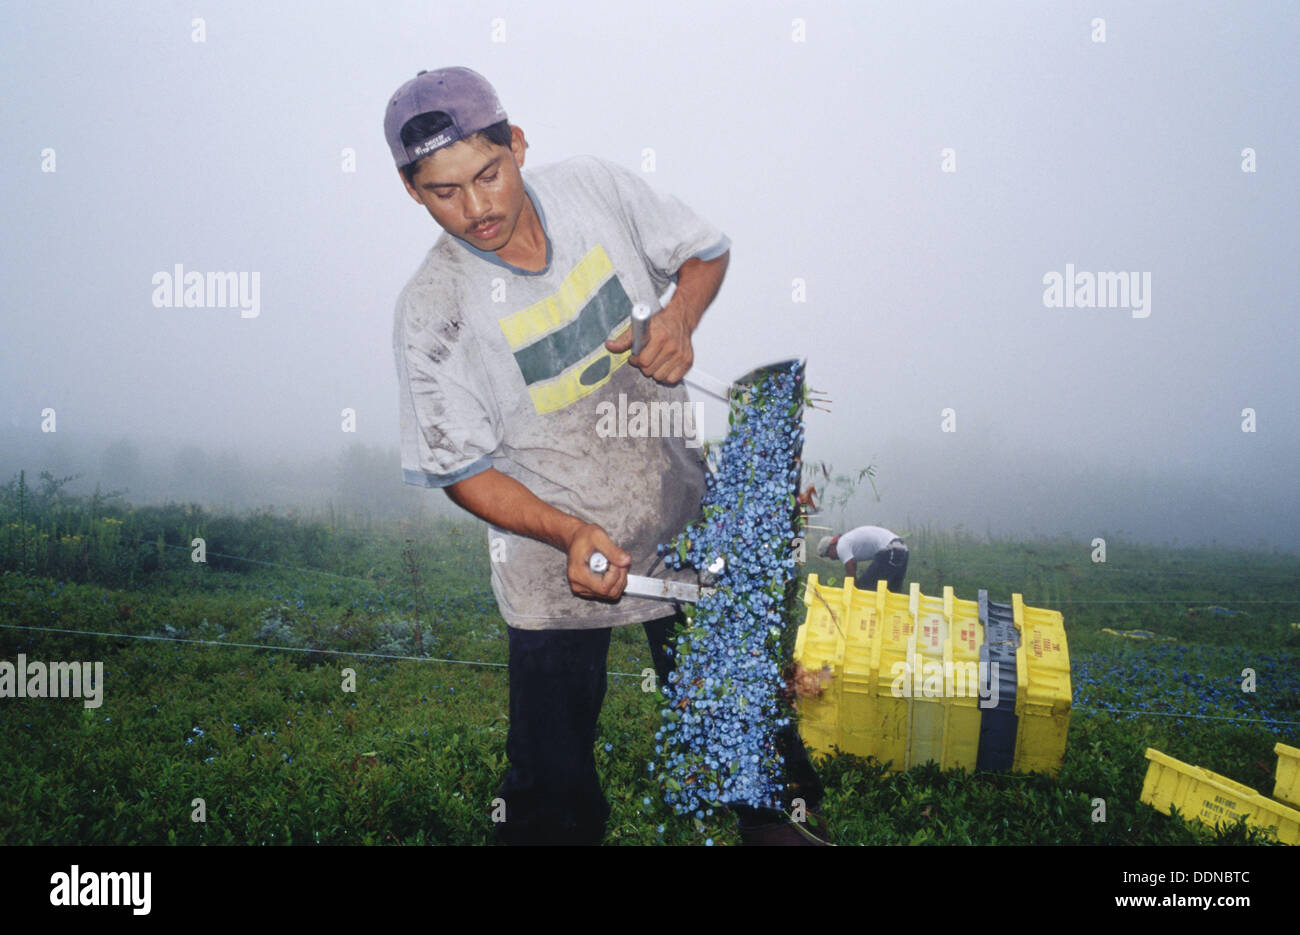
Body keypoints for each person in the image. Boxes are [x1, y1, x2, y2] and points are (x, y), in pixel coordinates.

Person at [386, 67, 823, 845]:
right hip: (554, 572)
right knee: (550, 795)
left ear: (517, 145)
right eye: (446, 191)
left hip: (689, 533)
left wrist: (681, 315)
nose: (478, 207)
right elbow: (463, 469)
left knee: (751, 746)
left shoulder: (593, 191)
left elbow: (706, 251)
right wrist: (567, 533)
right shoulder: (432, 310)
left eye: (489, 173)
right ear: (412, 191)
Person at [818, 526, 908, 592]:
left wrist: (847, 593)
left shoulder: (841, 545)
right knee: (891, 593)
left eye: (828, 555)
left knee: (863, 589)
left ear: (831, 546)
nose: (831, 558)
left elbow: (850, 575)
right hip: (903, 549)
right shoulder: (849, 542)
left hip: (890, 550)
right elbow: (853, 568)